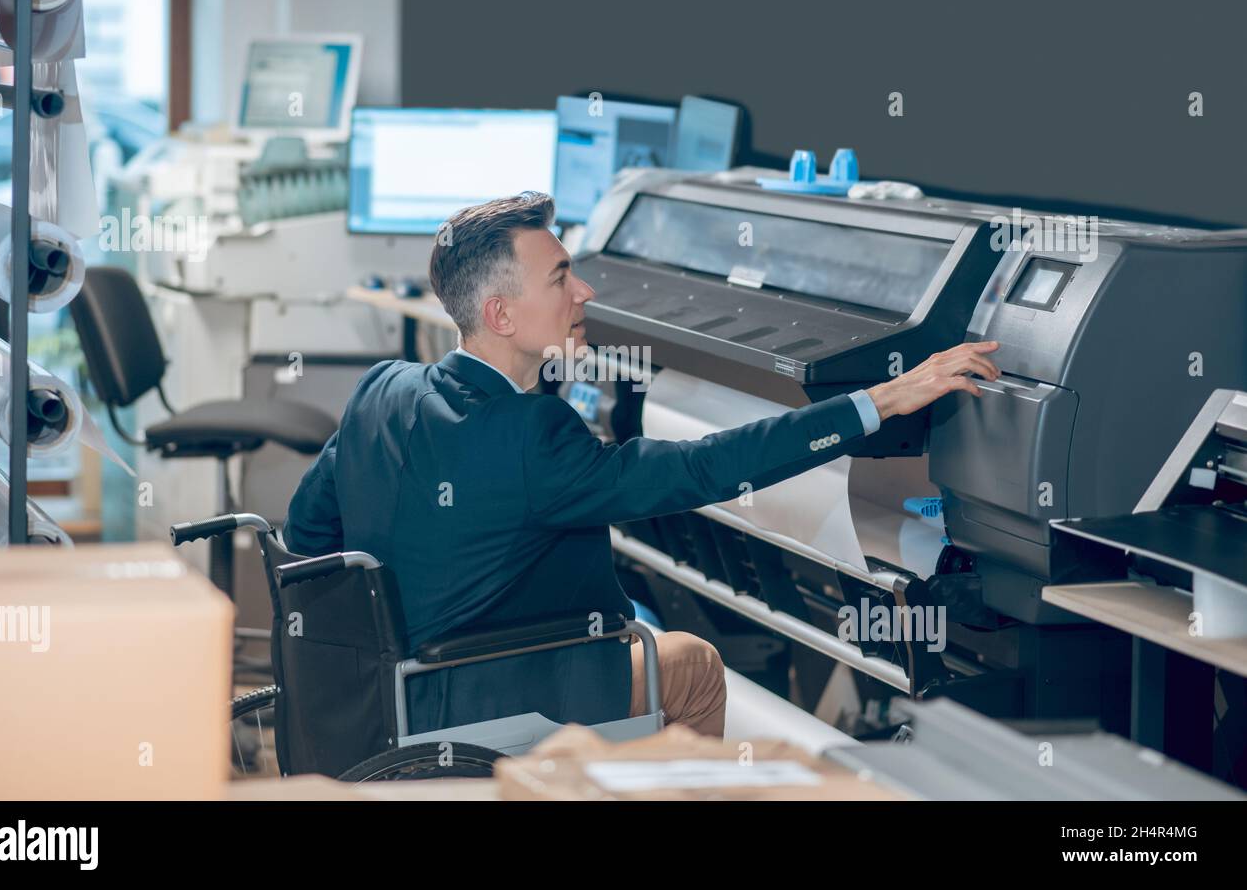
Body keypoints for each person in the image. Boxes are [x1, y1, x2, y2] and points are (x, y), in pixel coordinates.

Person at [286, 191, 999, 738]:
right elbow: (705, 468)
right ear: (502, 315)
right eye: (562, 276)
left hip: (377, 697)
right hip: (473, 698)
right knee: (691, 665)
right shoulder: (534, 436)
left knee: (640, 618)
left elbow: (309, 533)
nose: (584, 292)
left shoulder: (382, 389)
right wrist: (881, 399)